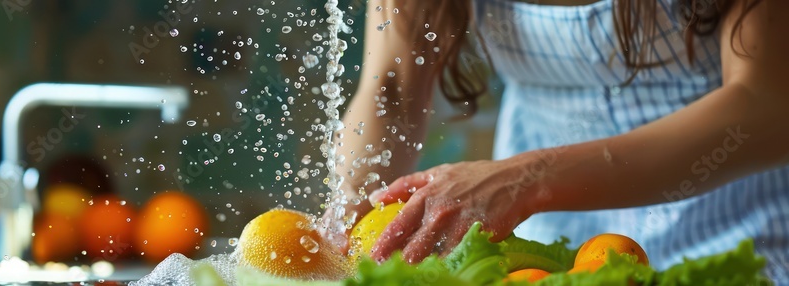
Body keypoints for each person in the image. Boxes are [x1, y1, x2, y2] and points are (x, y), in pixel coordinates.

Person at [321, 0, 789, 282]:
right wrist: (345, 226)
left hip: (733, 232)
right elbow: (393, 92)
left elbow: (766, 105)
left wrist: (527, 179)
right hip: (542, 255)